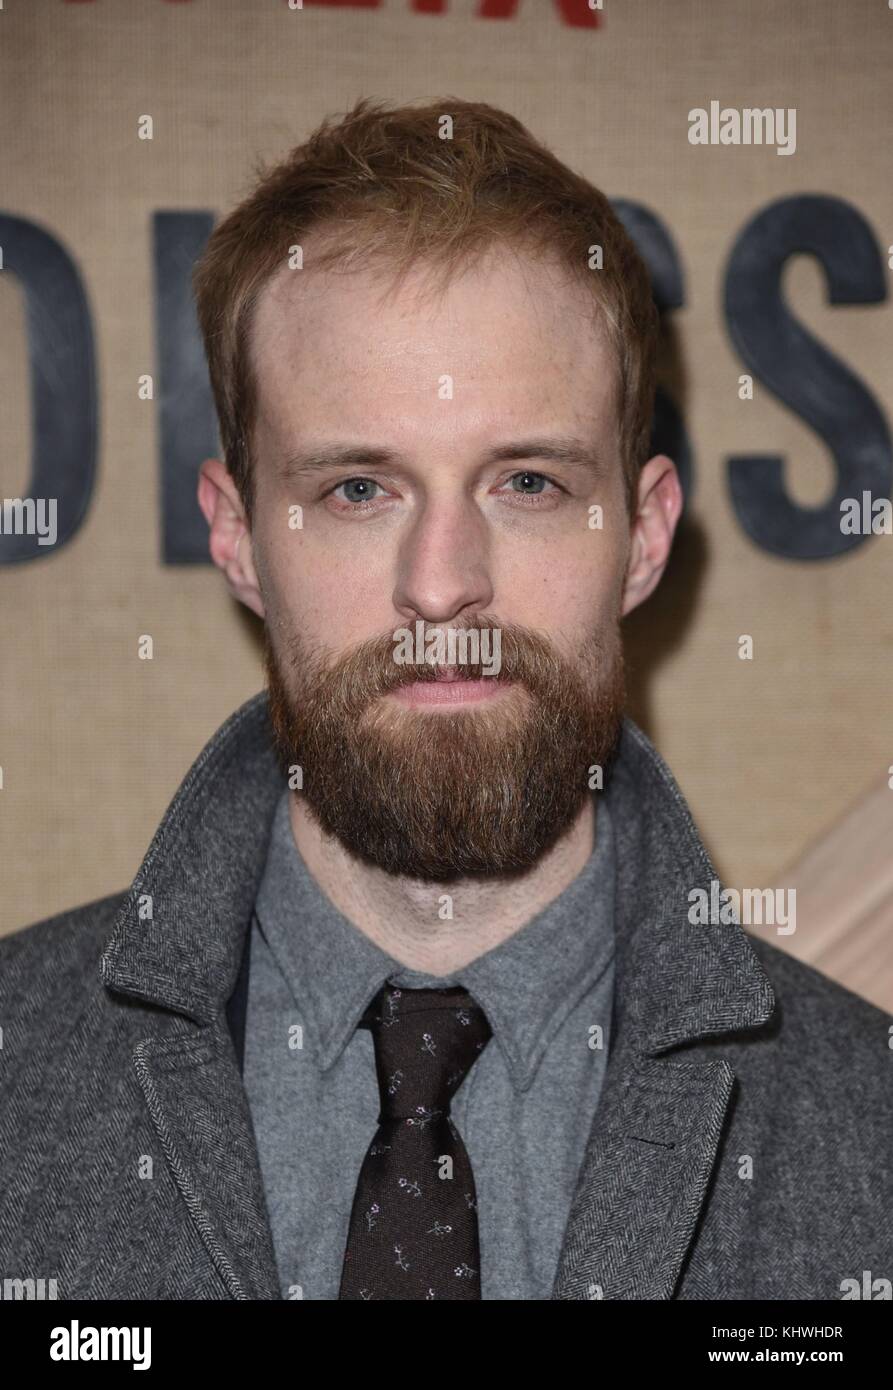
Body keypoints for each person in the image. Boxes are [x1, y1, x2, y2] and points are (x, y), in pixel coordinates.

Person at [1, 97, 890, 1302]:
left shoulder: (868, 1126)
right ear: (237, 537)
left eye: (526, 481)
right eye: (359, 487)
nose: (441, 583)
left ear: (642, 537)